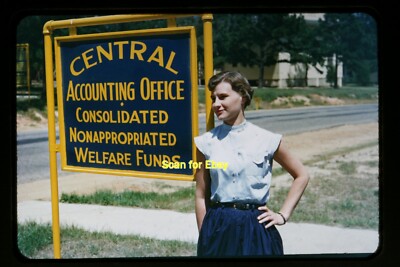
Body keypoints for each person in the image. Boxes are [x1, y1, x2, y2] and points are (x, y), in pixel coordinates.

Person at [194, 71, 309, 257]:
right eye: (213, 98)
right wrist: (205, 235)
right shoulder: (206, 143)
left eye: (222, 97)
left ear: (242, 97)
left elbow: (301, 175)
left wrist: (282, 215)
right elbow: (201, 195)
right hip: (218, 223)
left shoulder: (267, 139)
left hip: (255, 225)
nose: (216, 104)